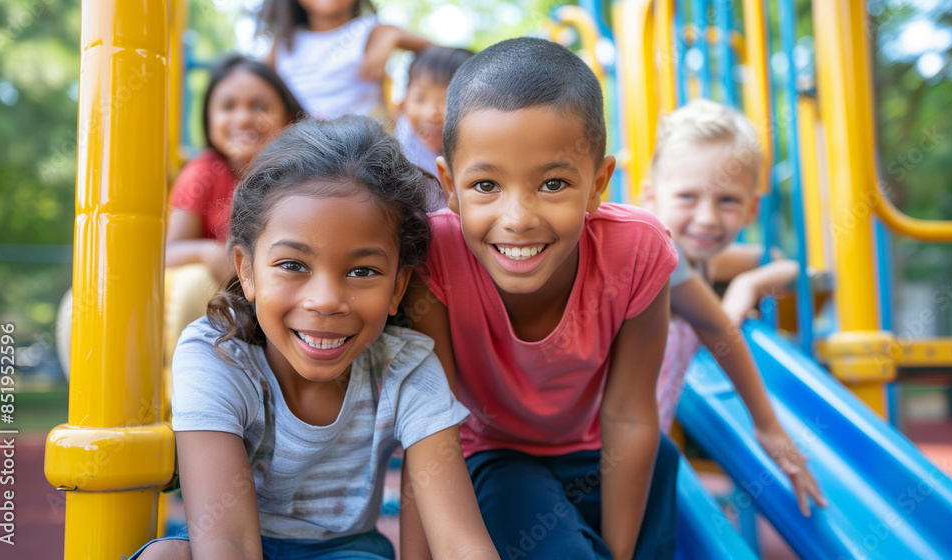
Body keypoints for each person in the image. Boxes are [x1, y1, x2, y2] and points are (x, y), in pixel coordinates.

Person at [132, 116, 499, 560]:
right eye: (293, 265)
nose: (326, 301)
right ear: (246, 270)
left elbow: (461, 543)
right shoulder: (215, 355)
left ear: (397, 289)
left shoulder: (406, 369)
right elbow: (227, 543)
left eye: (362, 272)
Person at [402, 38, 680, 559]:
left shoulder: (637, 250)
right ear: (450, 186)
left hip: (605, 451)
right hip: (494, 455)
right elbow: (428, 424)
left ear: (598, 183)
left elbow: (630, 412)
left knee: (660, 460)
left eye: (552, 183)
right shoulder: (435, 256)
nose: (519, 218)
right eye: (485, 185)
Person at [55, 54, 304, 380]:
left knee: (192, 287)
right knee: (89, 297)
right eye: (228, 106)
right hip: (225, 307)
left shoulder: (301, 175)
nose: (243, 117)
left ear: (288, 116)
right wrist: (207, 252)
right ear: (208, 117)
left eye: (260, 106)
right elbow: (165, 251)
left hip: (280, 304)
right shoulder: (206, 171)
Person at [642, 98, 827, 515]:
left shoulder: (701, 260)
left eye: (727, 201)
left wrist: (749, 282)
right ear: (650, 196)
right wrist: (767, 424)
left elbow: (786, 263)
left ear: (751, 208)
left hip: (642, 454)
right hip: (595, 451)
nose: (707, 218)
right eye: (687, 196)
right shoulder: (650, 251)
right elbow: (718, 329)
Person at [258, 0, 431, 120]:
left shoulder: (372, 31)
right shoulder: (283, 45)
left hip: (366, 153)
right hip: (306, 156)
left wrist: (392, 34)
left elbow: (446, 56)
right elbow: (251, 83)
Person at [393, 45, 474, 209]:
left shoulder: (484, 152)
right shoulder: (395, 156)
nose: (431, 114)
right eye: (419, 98)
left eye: (448, 101)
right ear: (402, 104)